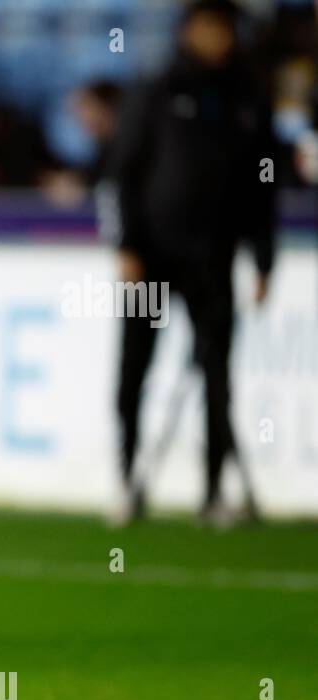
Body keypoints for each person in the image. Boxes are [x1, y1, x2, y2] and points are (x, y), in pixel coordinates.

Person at [107, 0, 275, 526]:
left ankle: (211, 493)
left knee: (218, 375)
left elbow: (261, 185)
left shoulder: (247, 96)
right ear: (189, 30)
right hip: (152, 255)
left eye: (226, 30)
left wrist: (263, 256)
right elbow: (123, 172)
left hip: (214, 256)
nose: (218, 39)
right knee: (136, 368)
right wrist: (127, 245)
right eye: (210, 28)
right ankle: (126, 481)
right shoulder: (156, 87)